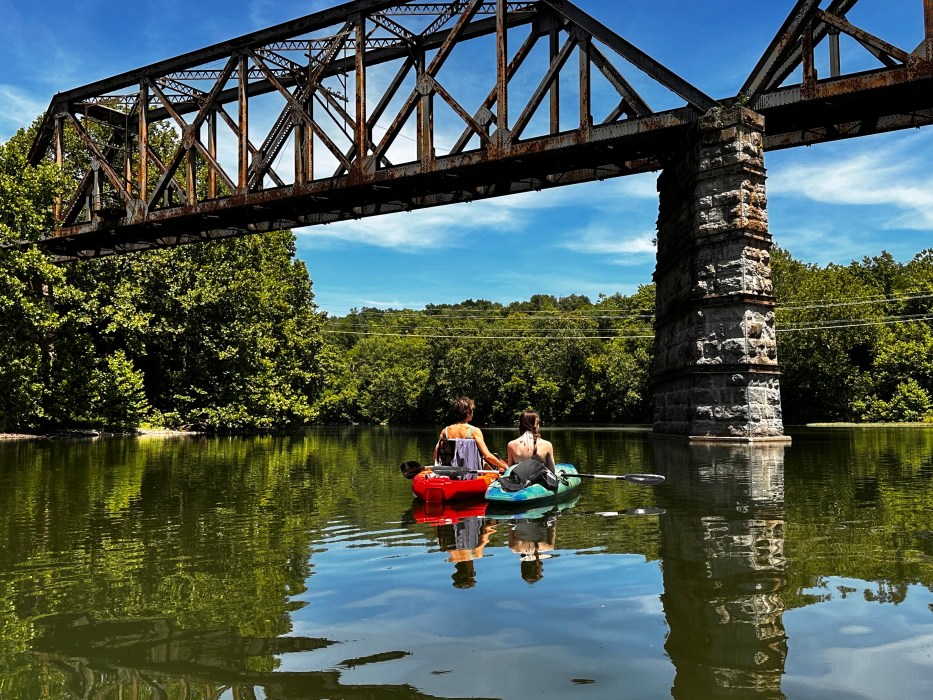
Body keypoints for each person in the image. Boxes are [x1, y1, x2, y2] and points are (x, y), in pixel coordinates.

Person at [433, 397, 508, 472]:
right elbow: (487, 456)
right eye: (472, 410)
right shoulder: (474, 431)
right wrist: (504, 466)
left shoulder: (445, 431)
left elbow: (436, 455)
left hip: (451, 471)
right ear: (468, 413)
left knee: (485, 462)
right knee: (489, 461)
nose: (473, 412)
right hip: (471, 471)